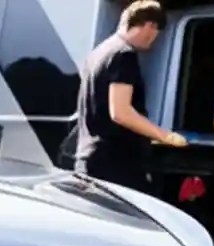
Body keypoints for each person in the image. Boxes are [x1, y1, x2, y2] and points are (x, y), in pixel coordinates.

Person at [74, 0, 186, 192]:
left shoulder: (99, 52)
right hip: (115, 165)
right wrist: (164, 136)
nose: (153, 40)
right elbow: (120, 112)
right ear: (150, 26)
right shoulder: (124, 55)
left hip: (90, 159)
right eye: (156, 32)